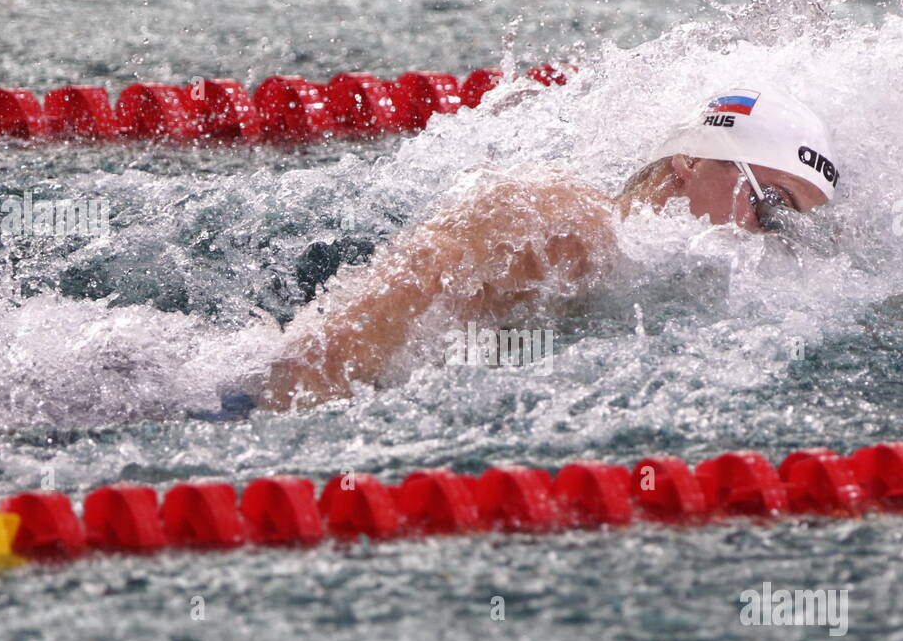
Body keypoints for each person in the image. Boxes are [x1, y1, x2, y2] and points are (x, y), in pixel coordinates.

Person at [204, 85, 839, 417]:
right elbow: (327, 353)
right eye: (771, 204)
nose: (770, 236)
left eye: (794, 227)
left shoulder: (646, 286)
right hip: (213, 400)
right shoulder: (554, 218)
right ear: (689, 163)